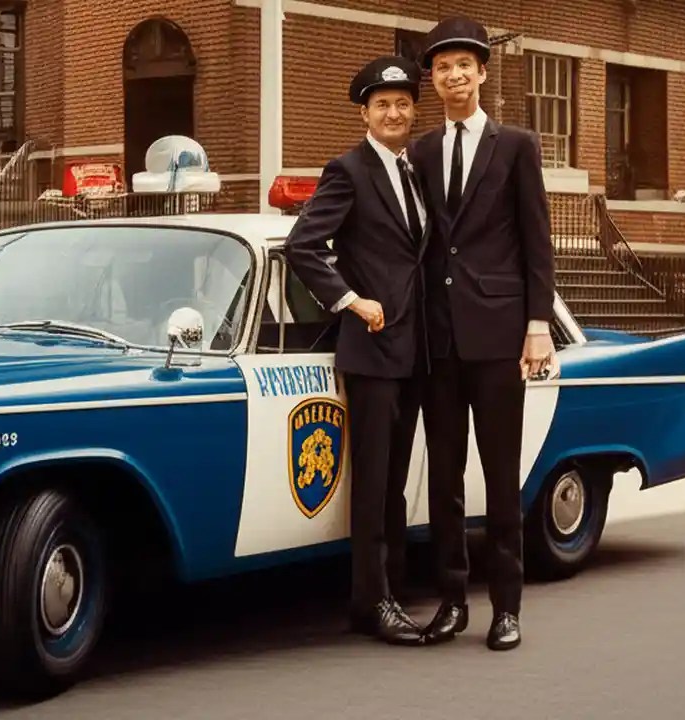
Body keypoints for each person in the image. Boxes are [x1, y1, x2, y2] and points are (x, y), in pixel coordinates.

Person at [407, 16, 556, 651]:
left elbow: (536, 240)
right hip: (438, 340)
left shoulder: (516, 145)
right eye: (443, 67)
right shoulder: (421, 153)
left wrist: (538, 324)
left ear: (482, 73)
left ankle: (506, 608)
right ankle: (450, 602)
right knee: (444, 477)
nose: (454, 75)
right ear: (434, 80)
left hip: (499, 336)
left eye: (464, 65)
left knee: (499, 475)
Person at [284, 55, 430, 646]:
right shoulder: (347, 170)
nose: (393, 113)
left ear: (412, 111)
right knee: (371, 480)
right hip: (371, 349)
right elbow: (303, 245)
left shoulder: (416, 171)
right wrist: (351, 300)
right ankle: (371, 601)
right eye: (382, 104)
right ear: (364, 113)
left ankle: (393, 586)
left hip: (416, 349)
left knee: (396, 477)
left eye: (402, 104)